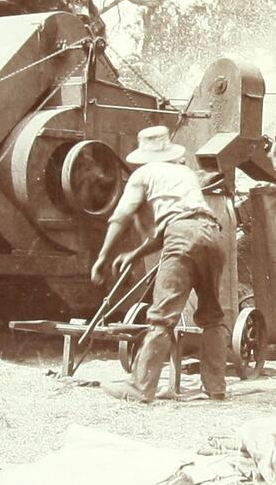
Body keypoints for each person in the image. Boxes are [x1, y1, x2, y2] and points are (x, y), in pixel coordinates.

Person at [91, 125, 230, 403]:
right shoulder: (185, 173)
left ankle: (142, 388)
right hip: (213, 235)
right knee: (212, 316)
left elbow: (122, 216)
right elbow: (181, 223)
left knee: (162, 317)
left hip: (182, 236)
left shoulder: (142, 174)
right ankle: (215, 388)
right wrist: (135, 254)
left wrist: (103, 257)